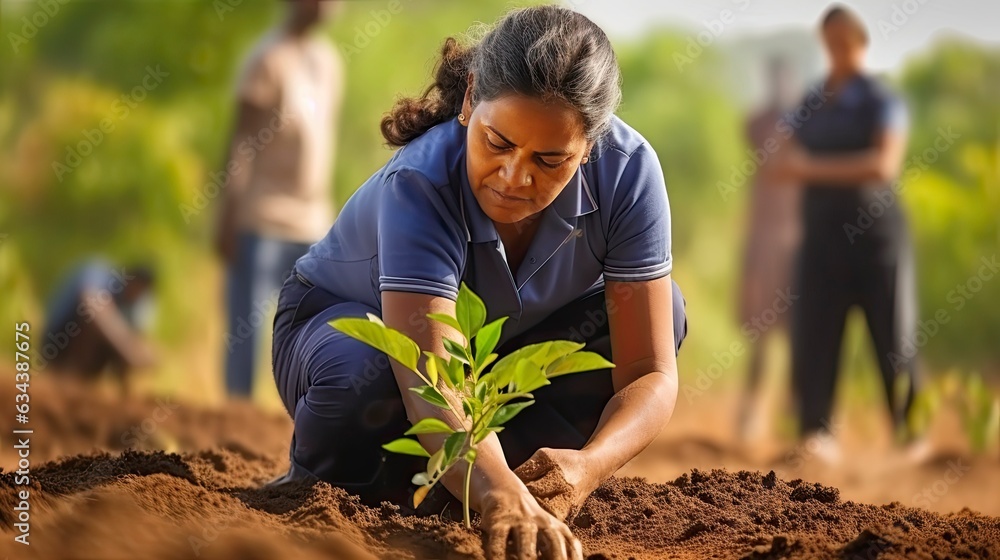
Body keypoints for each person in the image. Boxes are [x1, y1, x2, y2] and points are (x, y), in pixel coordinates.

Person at [269, 6, 687, 559]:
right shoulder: (421, 183)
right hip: (341, 330)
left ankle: (485, 476)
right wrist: (498, 492)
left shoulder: (630, 173)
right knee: (364, 373)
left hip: (491, 355)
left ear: (590, 146)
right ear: (469, 101)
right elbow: (431, 376)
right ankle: (322, 474)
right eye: (498, 143)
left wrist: (585, 468)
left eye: (550, 159)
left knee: (664, 311)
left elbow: (648, 372)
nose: (515, 177)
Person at [772, 5, 919, 461]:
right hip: (820, 240)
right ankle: (817, 434)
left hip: (878, 242)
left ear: (860, 44)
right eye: (829, 43)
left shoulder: (882, 100)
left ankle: (910, 435)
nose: (837, 51)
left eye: (844, 43)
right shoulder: (813, 100)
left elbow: (883, 164)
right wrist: (817, 167)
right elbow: (779, 159)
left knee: (893, 336)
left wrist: (812, 168)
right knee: (814, 336)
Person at [215, 0, 343, 398]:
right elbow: (241, 144)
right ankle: (235, 420)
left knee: (317, 325)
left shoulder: (328, 62)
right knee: (247, 329)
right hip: (263, 218)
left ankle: (310, 417)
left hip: (312, 222)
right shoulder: (268, 60)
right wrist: (228, 215)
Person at [736, 56, 802, 443]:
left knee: (798, 334)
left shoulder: (805, 127)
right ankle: (750, 415)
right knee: (761, 333)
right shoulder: (759, 124)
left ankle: (794, 418)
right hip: (764, 240)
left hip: (797, 242)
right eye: (776, 77)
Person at [40, 259, 158, 393]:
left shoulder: (137, 305)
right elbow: (91, 303)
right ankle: (68, 381)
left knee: (123, 339)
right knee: (94, 322)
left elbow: (137, 338)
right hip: (58, 342)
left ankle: (114, 395)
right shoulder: (100, 274)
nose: (135, 294)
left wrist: (138, 352)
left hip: (92, 363)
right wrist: (127, 348)